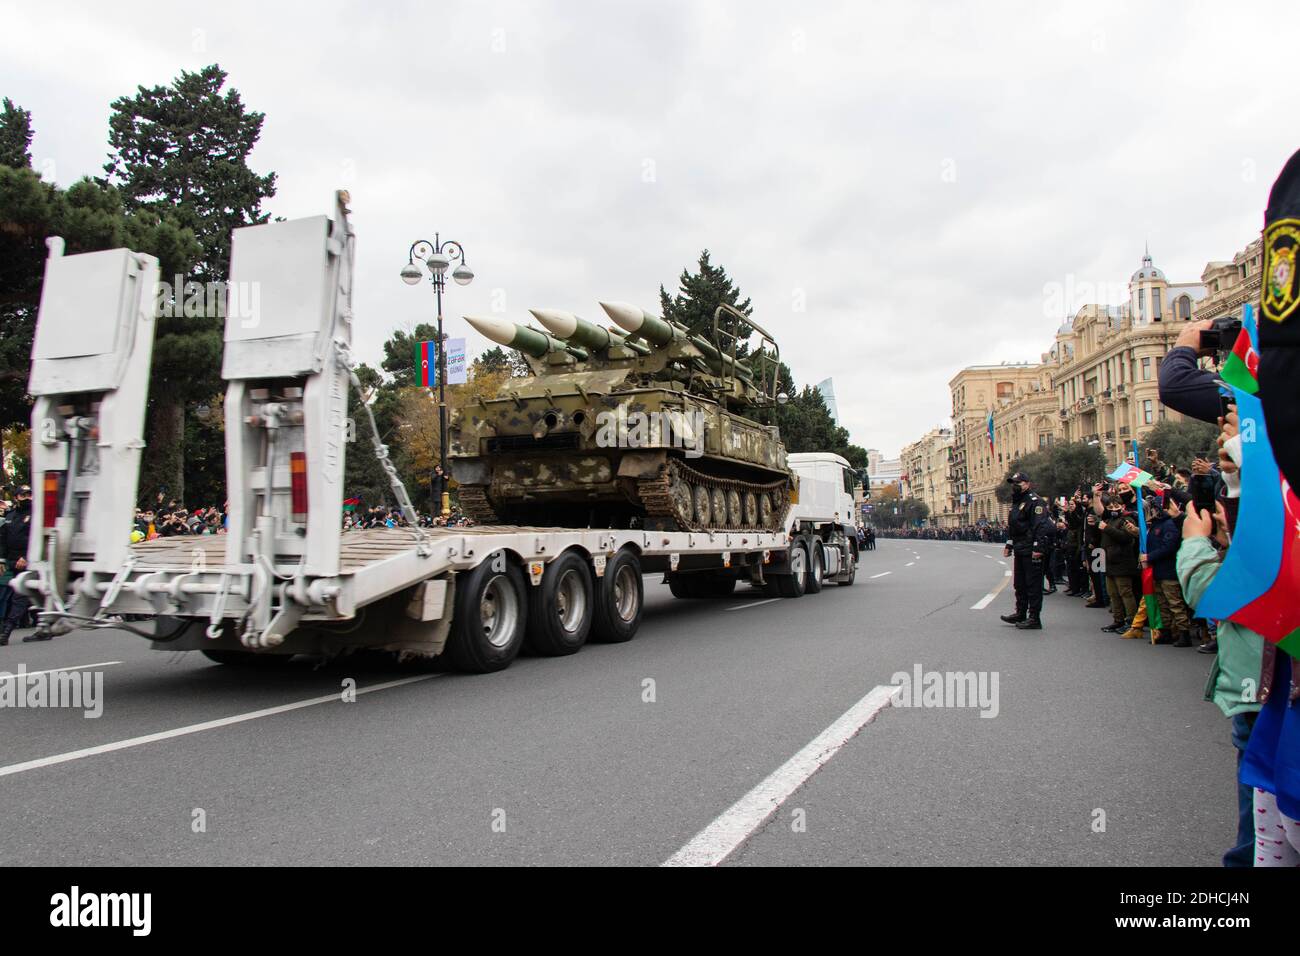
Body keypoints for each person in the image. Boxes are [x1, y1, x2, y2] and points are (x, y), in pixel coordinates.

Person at [1000, 471, 1054, 630]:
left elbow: (1040, 525)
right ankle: (1020, 612)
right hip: (1020, 547)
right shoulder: (1017, 501)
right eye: (1013, 483)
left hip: (1031, 548)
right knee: (1020, 584)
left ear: (1027, 484)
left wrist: (1038, 547)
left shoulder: (1035, 501)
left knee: (1033, 585)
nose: (1015, 486)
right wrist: (1009, 545)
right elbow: (1013, 526)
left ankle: (1034, 618)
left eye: (1019, 483)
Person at [0, 486, 34, 645]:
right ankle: (44, 626)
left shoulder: (36, 515)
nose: (27, 497)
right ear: (16, 497)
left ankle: (6, 631)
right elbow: (3, 540)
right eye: (23, 495)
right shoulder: (10, 516)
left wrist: (27, 556)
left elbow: (38, 539)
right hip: (13, 561)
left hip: (29, 561)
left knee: (19, 596)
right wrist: (2, 560)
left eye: (29, 494)